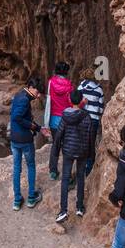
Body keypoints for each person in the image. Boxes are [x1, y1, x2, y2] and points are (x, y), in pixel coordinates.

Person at [53, 89, 96, 224]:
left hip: (68, 151)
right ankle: (79, 207)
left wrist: (55, 151)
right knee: (80, 177)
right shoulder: (86, 117)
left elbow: (59, 135)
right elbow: (90, 137)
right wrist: (90, 153)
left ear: (70, 100)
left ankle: (63, 211)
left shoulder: (65, 116)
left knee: (65, 179)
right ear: (82, 100)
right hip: (82, 151)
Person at [8, 77, 44, 210]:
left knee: (17, 167)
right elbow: (16, 117)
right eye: (37, 91)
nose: (38, 95)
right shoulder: (24, 100)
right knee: (31, 166)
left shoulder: (19, 95)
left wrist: (39, 128)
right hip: (24, 140)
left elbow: (18, 116)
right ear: (30, 87)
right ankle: (30, 198)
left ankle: (17, 201)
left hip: (14, 139)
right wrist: (33, 127)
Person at [45, 61, 73, 180]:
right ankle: (67, 172)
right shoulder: (69, 85)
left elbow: (49, 100)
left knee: (55, 145)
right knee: (67, 146)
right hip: (66, 119)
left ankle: (53, 171)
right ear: (66, 72)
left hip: (53, 119)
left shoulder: (51, 82)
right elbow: (71, 103)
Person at [76, 74, 105, 176]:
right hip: (94, 120)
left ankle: (80, 167)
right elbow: (101, 108)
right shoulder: (99, 90)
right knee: (91, 143)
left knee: (82, 142)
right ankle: (89, 170)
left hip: (82, 118)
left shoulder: (80, 88)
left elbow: (76, 102)